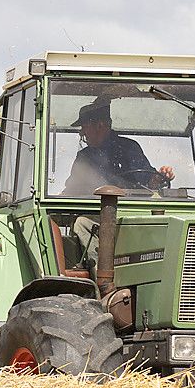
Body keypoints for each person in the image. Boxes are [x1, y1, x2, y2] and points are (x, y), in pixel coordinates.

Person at [63, 96, 175, 279]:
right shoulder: (84, 157)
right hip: (99, 215)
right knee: (82, 223)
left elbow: (148, 182)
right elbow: (71, 189)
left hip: (133, 213)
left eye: (84, 127)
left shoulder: (129, 148)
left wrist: (162, 175)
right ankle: (101, 278)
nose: (83, 133)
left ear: (100, 125)